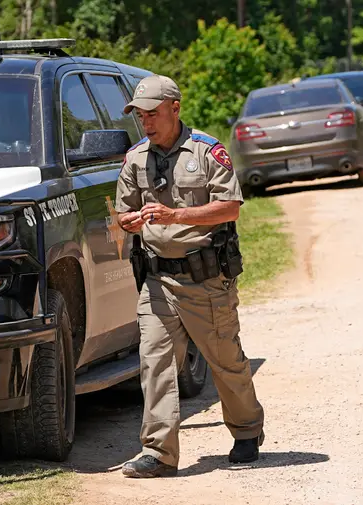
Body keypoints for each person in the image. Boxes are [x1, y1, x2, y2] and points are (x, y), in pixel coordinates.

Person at [115, 74, 265, 478]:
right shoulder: (134, 159)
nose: (146, 122)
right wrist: (129, 221)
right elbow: (122, 211)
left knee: (226, 362)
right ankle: (159, 453)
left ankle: (248, 430)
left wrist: (174, 215)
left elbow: (229, 208)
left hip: (205, 280)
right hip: (157, 280)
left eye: (152, 114)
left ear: (175, 108)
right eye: (140, 115)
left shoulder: (207, 152)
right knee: (155, 363)